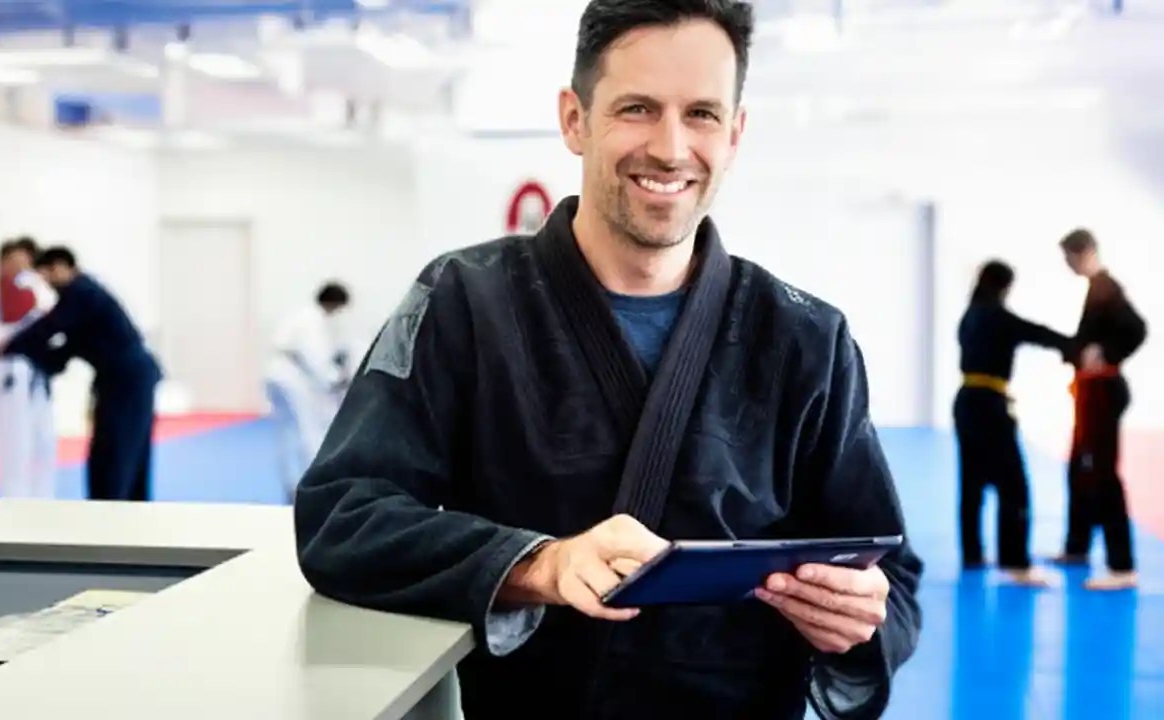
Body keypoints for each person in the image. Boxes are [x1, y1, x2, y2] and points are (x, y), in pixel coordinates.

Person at [293, 2, 923, 718]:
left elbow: (891, 579)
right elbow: (342, 517)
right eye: (637, 108)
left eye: (703, 114)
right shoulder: (467, 303)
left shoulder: (807, 337)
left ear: (736, 132)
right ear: (574, 119)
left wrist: (857, 618)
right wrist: (539, 563)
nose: (671, 147)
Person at [0, 247, 163, 502]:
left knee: (117, 449)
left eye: (46, 276)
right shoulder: (83, 300)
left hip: (127, 379)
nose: (46, 284)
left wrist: (8, 345)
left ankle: (113, 510)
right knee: (124, 448)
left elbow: (50, 327)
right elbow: (64, 352)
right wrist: (23, 353)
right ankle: (123, 506)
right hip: (127, 378)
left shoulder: (82, 292)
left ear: (60, 267)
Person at [953, 260, 1072, 586]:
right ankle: (1016, 563)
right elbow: (1037, 333)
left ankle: (973, 554)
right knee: (1014, 486)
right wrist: (1073, 346)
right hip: (990, 405)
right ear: (1006, 286)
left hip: (966, 401)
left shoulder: (971, 315)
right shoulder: (997, 316)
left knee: (972, 481)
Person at [1052, 229, 1147, 590]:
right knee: (1079, 468)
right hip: (1091, 395)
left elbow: (1137, 329)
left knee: (1104, 474)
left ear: (1087, 252)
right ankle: (1077, 546)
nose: (1069, 265)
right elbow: (1085, 340)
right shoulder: (1096, 288)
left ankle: (1123, 566)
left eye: (1070, 258)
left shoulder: (1107, 286)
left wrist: (1105, 352)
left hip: (1105, 393)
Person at [0, 236, 59, 499]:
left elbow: (53, 326)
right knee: (12, 448)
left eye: (25, 261)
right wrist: (12, 338)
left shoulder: (40, 291)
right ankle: (12, 504)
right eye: (14, 261)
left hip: (37, 376)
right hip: (6, 376)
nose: (20, 267)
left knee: (43, 446)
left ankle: (44, 502)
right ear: (2, 263)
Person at [263, 282, 357, 502]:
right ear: (334, 303)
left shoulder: (301, 315)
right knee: (308, 429)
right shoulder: (314, 321)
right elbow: (314, 357)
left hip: (275, 372)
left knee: (286, 432)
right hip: (292, 376)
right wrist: (333, 380)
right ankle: (313, 486)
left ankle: (290, 485)